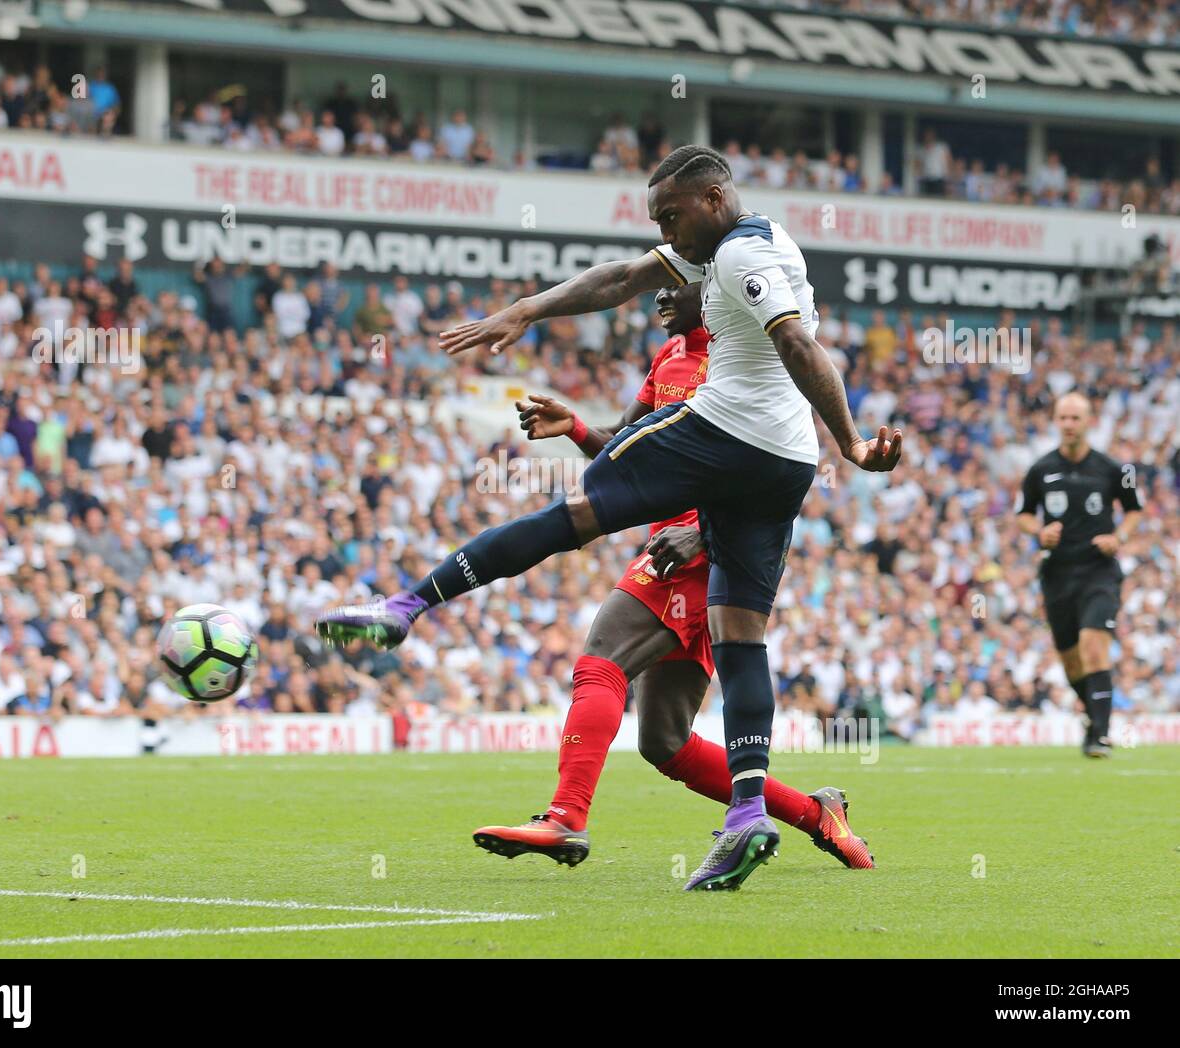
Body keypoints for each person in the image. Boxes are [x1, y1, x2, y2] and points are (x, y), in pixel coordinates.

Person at [316, 144, 901, 891]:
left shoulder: (737, 260)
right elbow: (623, 280)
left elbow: (795, 342)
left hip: (731, 444)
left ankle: (409, 608)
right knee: (718, 664)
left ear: (714, 198)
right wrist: (533, 315)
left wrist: (850, 440)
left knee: (577, 518)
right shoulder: (729, 269)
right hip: (779, 460)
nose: (666, 240)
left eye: (671, 216)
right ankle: (755, 811)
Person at [470, 282, 874, 870]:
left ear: (709, 291)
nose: (658, 294)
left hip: (708, 552)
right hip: (673, 547)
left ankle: (564, 817)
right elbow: (633, 455)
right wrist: (579, 429)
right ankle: (818, 815)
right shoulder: (669, 358)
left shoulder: (748, 360)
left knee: (602, 657)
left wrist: (705, 537)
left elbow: (778, 475)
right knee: (664, 740)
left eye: (671, 283)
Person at [1017, 392, 1141, 757]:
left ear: (1090, 421)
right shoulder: (1040, 470)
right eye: (1063, 418)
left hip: (1098, 572)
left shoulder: (1112, 469)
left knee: (1093, 646)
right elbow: (1023, 513)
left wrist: (1119, 537)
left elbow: (1134, 510)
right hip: (1057, 574)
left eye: (1076, 418)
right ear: (1055, 421)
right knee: (1071, 660)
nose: (1069, 424)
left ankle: (1100, 734)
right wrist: (1037, 532)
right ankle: (1093, 720)